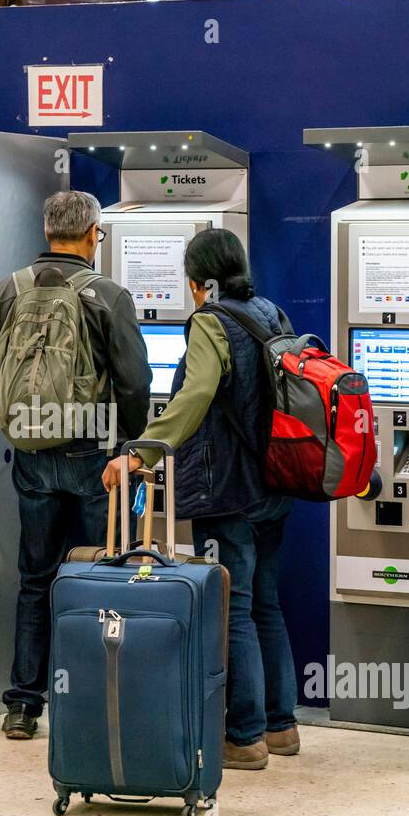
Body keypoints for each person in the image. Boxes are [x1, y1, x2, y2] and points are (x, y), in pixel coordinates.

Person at [102, 228, 299, 771]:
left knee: (232, 607)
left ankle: (245, 736)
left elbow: (195, 395)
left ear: (198, 282)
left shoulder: (210, 322)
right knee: (266, 601)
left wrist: (143, 453)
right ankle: (281, 727)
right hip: (276, 479)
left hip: (227, 487)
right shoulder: (271, 313)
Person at [0, 190, 152, 740]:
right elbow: (135, 384)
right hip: (94, 456)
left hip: (30, 455)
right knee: (104, 576)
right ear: (93, 233)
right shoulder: (108, 294)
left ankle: (23, 706)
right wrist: (129, 440)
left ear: (47, 230)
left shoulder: (9, 289)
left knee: (36, 578)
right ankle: (99, 701)